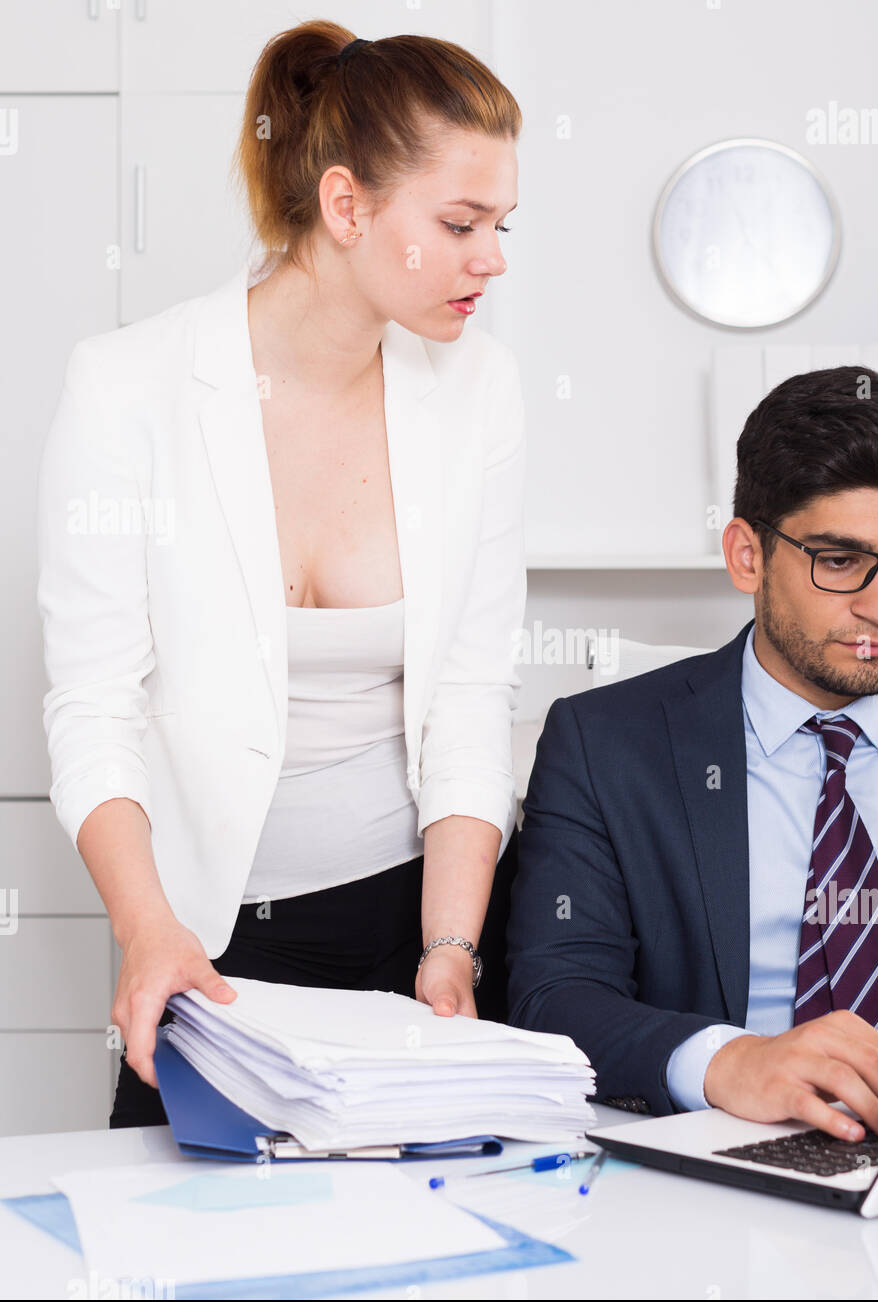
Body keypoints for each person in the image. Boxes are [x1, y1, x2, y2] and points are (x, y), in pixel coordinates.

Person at [36, 21, 526, 1127]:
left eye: (501, 224)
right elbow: (95, 703)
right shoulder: (128, 387)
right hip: (199, 938)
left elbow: (470, 694)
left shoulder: (477, 391)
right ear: (347, 207)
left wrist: (450, 950)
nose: (491, 257)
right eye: (459, 224)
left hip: (406, 921)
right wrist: (147, 924)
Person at [507, 365, 878, 1142]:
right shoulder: (603, 744)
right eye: (839, 562)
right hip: (723, 1150)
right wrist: (730, 1062)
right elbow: (553, 994)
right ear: (746, 557)